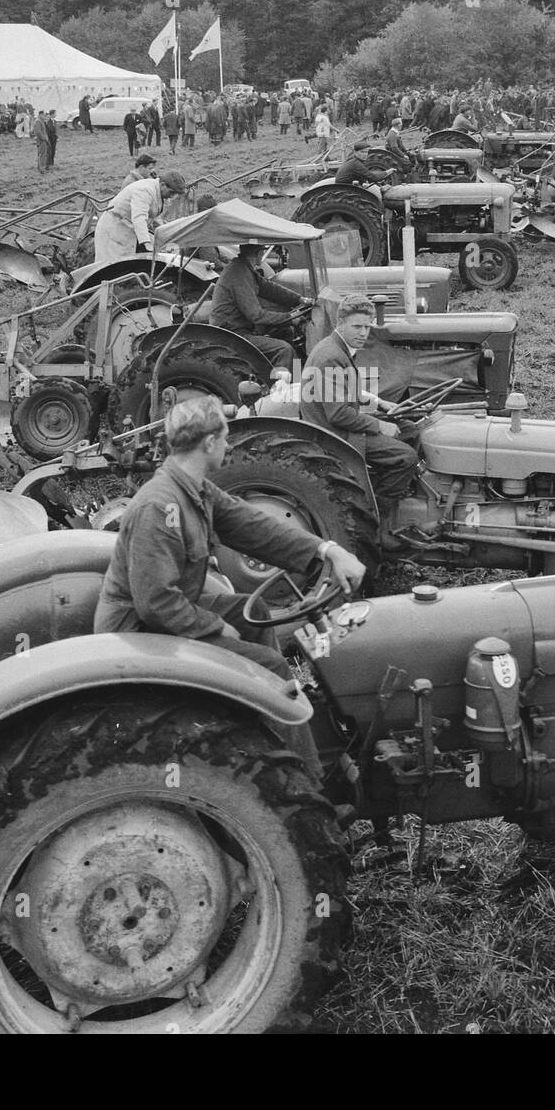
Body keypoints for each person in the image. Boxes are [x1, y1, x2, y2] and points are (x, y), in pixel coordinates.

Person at [93, 396, 366, 783]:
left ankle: (269, 727)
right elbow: (154, 601)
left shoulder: (194, 489)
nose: (229, 445)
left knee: (248, 614)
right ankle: (307, 783)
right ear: (207, 443)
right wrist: (214, 628)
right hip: (136, 633)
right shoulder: (160, 507)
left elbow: (252, 525)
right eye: (224, 438)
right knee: (267, 668)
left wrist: (327, 550)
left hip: (165, 616)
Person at [300, 295, 418, 550]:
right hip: (334, 435)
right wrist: (380, 426)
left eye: (367, 327)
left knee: (411, 429)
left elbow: (347, 390)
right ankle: (375, 522)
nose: (364, 333)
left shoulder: (337, 349)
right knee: (405, 458)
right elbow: (339, 414)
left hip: (341, 424)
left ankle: (402, 501)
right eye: (357, 327)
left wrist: (381, 404)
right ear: (340, 323)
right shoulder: (331, 356)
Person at [210, 243, 305, 371]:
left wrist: (299, 299)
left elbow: (269, 288)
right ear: (259, 253)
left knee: (287, 332)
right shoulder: (238, 274)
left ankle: (296, 378)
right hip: (233, 335)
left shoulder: (244, 268)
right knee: (284, 350)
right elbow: (256, 315)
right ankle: (281, 388)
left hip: (239, 329)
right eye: (262, 252)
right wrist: (290, 317)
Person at [93, 170, 187, 265]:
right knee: (111, 266)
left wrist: (166, 235)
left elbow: (152, 217)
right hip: (114, 230)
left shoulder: (157, 191)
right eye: (171, 193)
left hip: (128, 228)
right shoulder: (145, 190)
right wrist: (147, 243)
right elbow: (139, 218)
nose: (171, 196)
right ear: (163, 185)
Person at [333, 142, 397, 189]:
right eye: (362, 152)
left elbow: (360, 175)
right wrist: (388, 172)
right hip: (345, 189)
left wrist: (363, 182)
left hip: (346, 186)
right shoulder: (355, 163)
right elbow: (374, 177)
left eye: (366, 152)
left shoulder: (353, 159)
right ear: (355, 152)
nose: (365, 154)